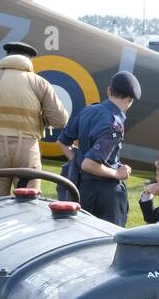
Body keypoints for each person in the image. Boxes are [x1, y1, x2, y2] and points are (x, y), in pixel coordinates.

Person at [0, 48, 67, 198]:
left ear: (7, 56)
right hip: (27, 148)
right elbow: (60, 120)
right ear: (29, 60)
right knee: (28, 202)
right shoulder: (40, 83)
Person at [57, 71, 141, 224]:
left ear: (109, 91)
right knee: (109, 242)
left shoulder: (88, 111)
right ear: (130, 100)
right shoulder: (115, 124)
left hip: (80, 189)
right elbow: (89, 164)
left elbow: (62, 142)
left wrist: (77, 160)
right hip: (105, 195)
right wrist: (117, 173)